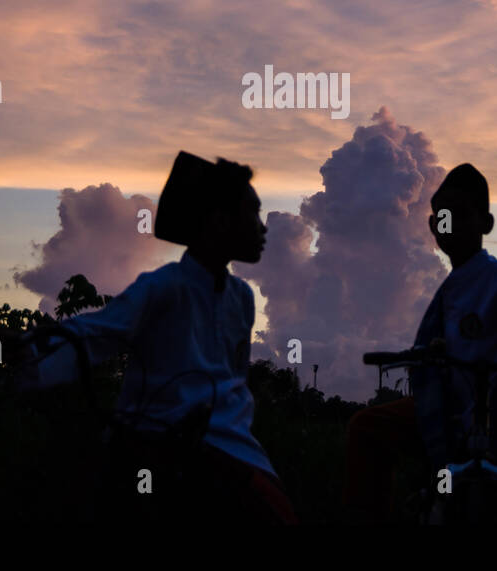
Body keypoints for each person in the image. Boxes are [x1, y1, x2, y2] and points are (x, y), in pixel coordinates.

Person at [20, 151, 296, 524]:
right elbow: (95, 333)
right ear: (218, 221)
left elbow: (234, 383)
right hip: (163, 443)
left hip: (232, 451)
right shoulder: (165, 287)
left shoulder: (242, 299)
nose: (262, 228)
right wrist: (25, 355)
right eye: (252, 213)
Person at [343, 164, 497, 523]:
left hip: (490, 413)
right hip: (445, 407)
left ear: (486, 224)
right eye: (440, 218)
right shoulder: (450, 289)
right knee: (366, 428)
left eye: (460, 215)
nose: (448, 225)